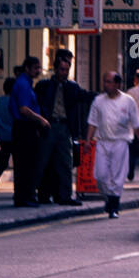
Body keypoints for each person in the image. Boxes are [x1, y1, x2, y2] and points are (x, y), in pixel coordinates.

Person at [86, 71, 139, 218]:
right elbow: (92, 122)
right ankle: (108, 198)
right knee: (100, 175)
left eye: (109, 82)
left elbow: (136, 123)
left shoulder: (128, 101)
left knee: (117, 176)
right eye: (105, 81)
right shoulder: (98, 101)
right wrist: (88, 141)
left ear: (117, 84)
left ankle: (114, 206)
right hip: (102, 141)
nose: (105, 85)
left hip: (120, 142)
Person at [35, 54, 86, 205]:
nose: (64, 72)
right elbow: (36, 105)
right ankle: (41, 194)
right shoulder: (44, 85)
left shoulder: (72, 86)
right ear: (55, 69)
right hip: (48, 125)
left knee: (65, 162)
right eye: (62, 69)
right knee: (43, 161)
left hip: (64, 127)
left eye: (67, 69)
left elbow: (84, 97)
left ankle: (65, 196)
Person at [9, 55, 49, 207]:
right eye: (35, 68)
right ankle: (23, 197)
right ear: (27, 68)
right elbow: (24, 109)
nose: (38, 70)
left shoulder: (26, 83)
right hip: (23, 127)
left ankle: (24, 196)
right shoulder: (23, 84)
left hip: (26, 127)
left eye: (39, 67)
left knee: (27, 163)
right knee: (25, 164)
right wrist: (41, 120)